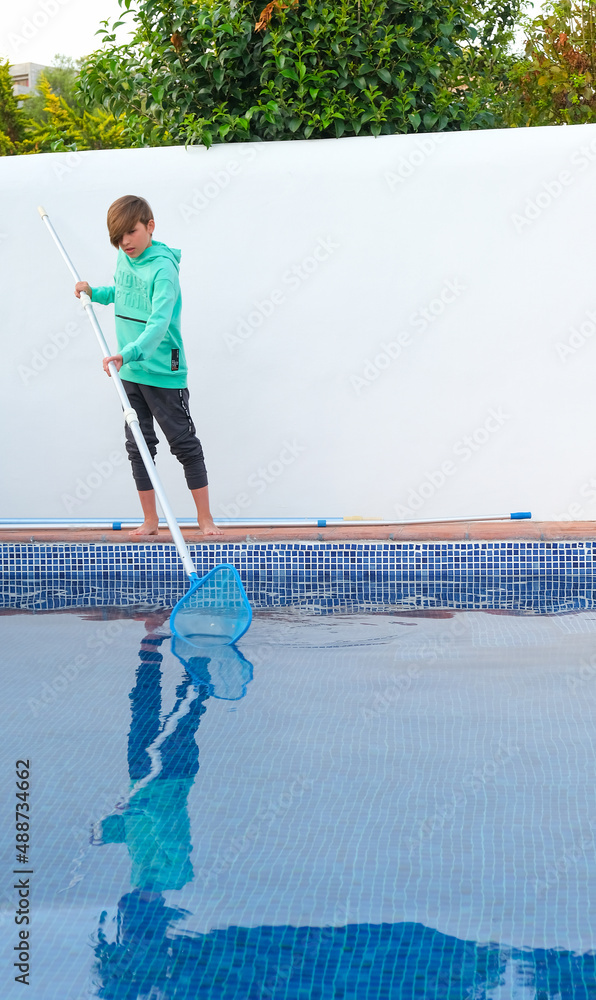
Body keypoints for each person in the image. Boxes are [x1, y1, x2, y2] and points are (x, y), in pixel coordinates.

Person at [75, 194, 222, 537]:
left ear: (149, 226)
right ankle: (151, 521)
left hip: (161, 370)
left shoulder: (163, 268)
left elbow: (158, 323)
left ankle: (205, 519)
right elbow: (123, 293)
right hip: (128, 371)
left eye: (131, 232)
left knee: (183, 443)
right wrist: (94, 293)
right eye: (118, 237)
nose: (125, 242)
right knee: (139, 445)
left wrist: (127, 353)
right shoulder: (125, 258)